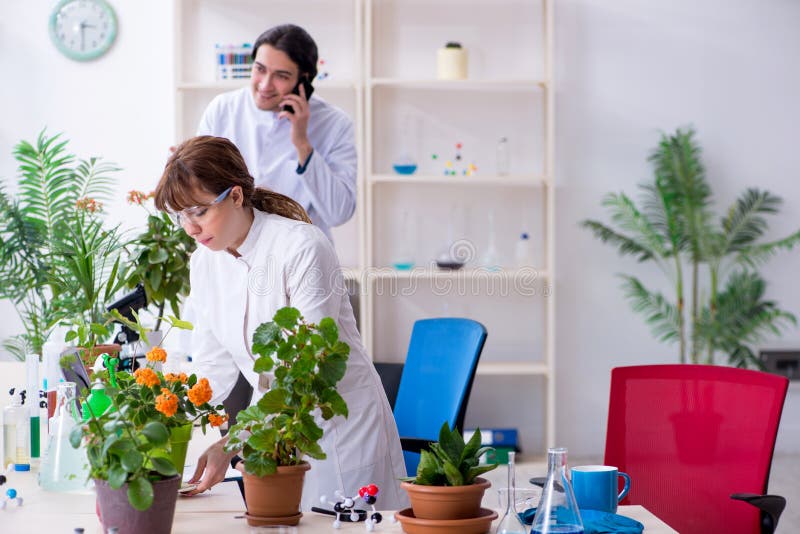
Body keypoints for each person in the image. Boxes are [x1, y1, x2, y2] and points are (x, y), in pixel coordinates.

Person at [153, 136, 407, 510]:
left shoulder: (301, 247)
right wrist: (160, 417)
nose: (190, 228)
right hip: (278, 434)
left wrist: (235, 441)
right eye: (181, 215)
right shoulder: (205, 262)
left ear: (236, 196)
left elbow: (307, 366)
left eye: (199, 211)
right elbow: (213, 369)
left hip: (342, 433)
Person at [197, 24, 356, 242]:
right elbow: (200, 192)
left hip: (300, 251)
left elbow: (339, 212)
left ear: (304, 80)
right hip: (234, 250)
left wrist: (302, 145)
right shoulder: (223, 109)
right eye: (260, 69)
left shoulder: (335, 123)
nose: (265, 85)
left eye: (281, 76)